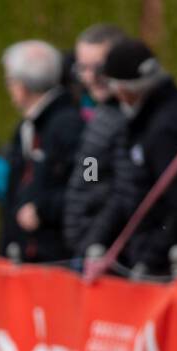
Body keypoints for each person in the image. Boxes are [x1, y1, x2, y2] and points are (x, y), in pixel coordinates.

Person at [102, 38, 177, 274]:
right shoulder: (151, 118)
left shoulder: (164, 129)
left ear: (125, 89)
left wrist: (149, 258)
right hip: (157, 250)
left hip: (176, 260)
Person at [0, 40, 82, 263]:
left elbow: (85, 186)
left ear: (23, 85)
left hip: (51, 255)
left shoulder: (66, 124)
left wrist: (43, 209)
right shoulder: (29, 125)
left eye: (10, 81)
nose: (9, 89)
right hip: (25, 252)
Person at [63, 24, 129, 261]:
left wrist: (92, 241)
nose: (90, 78)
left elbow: (123, 193)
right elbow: (88, 181)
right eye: (83, 68)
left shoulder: (127, 118)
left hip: (106, 253)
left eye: (99, 68)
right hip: (87, 247)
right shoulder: (100, 112)